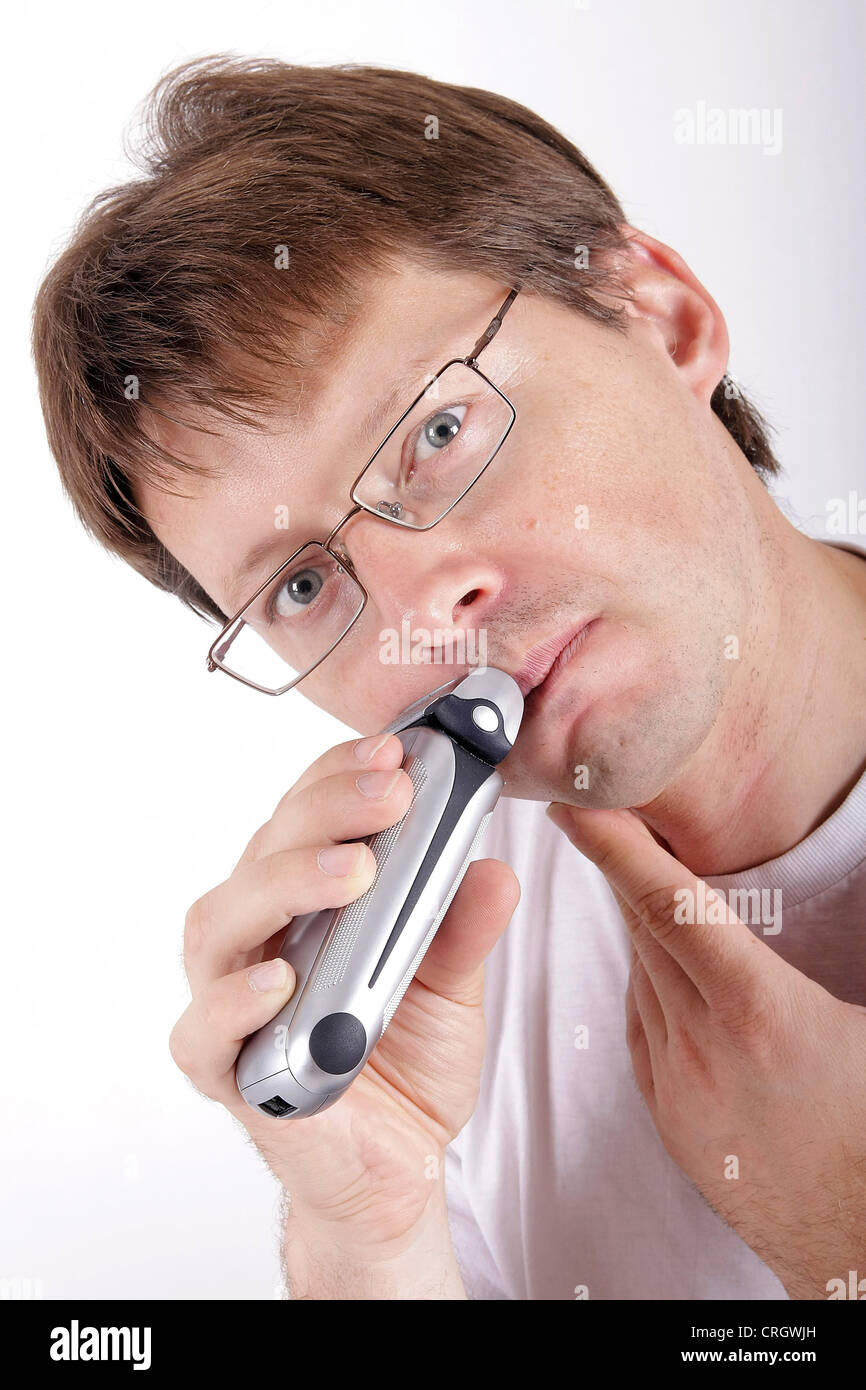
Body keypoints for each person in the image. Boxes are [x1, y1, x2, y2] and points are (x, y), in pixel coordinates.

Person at [32, 56, 866, 1300]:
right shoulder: (422, 970)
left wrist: (843, 1229)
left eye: (436, 432)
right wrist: (367, 1231)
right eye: (304, 585)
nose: (423, 614)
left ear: (662, 317)